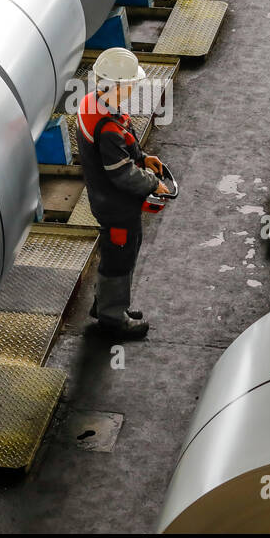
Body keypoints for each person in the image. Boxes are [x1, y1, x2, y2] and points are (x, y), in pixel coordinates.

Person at [75, 47, 170, 339]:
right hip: (116, 205)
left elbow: (124, 145)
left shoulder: (94, 104)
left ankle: (106, 304)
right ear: (115, 87)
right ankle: (113, 318)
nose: (132, 90)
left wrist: (142, 157)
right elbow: (120, 172)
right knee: (120, 255)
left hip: (106, 201)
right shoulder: (106, 127)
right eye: (130, 86)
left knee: (118, 251)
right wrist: (153, 183)